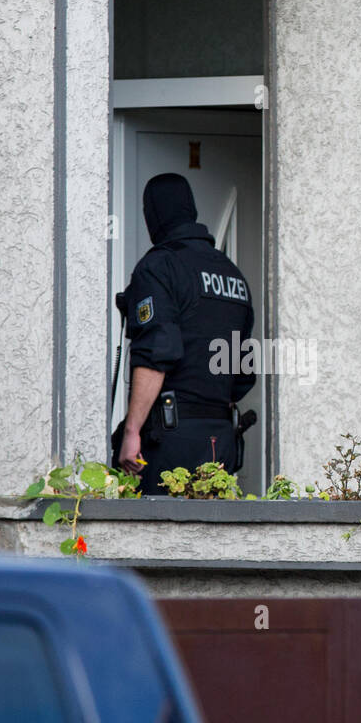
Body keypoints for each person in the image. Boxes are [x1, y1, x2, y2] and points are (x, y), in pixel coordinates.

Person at [116, 173, 256, 494]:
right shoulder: (232, 275)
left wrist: (132, 431)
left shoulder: (159, 267)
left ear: (153, 214)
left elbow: (157, 353)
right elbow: (243, 374)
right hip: (220, 441)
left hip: (170, 440)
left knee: (160, 538)